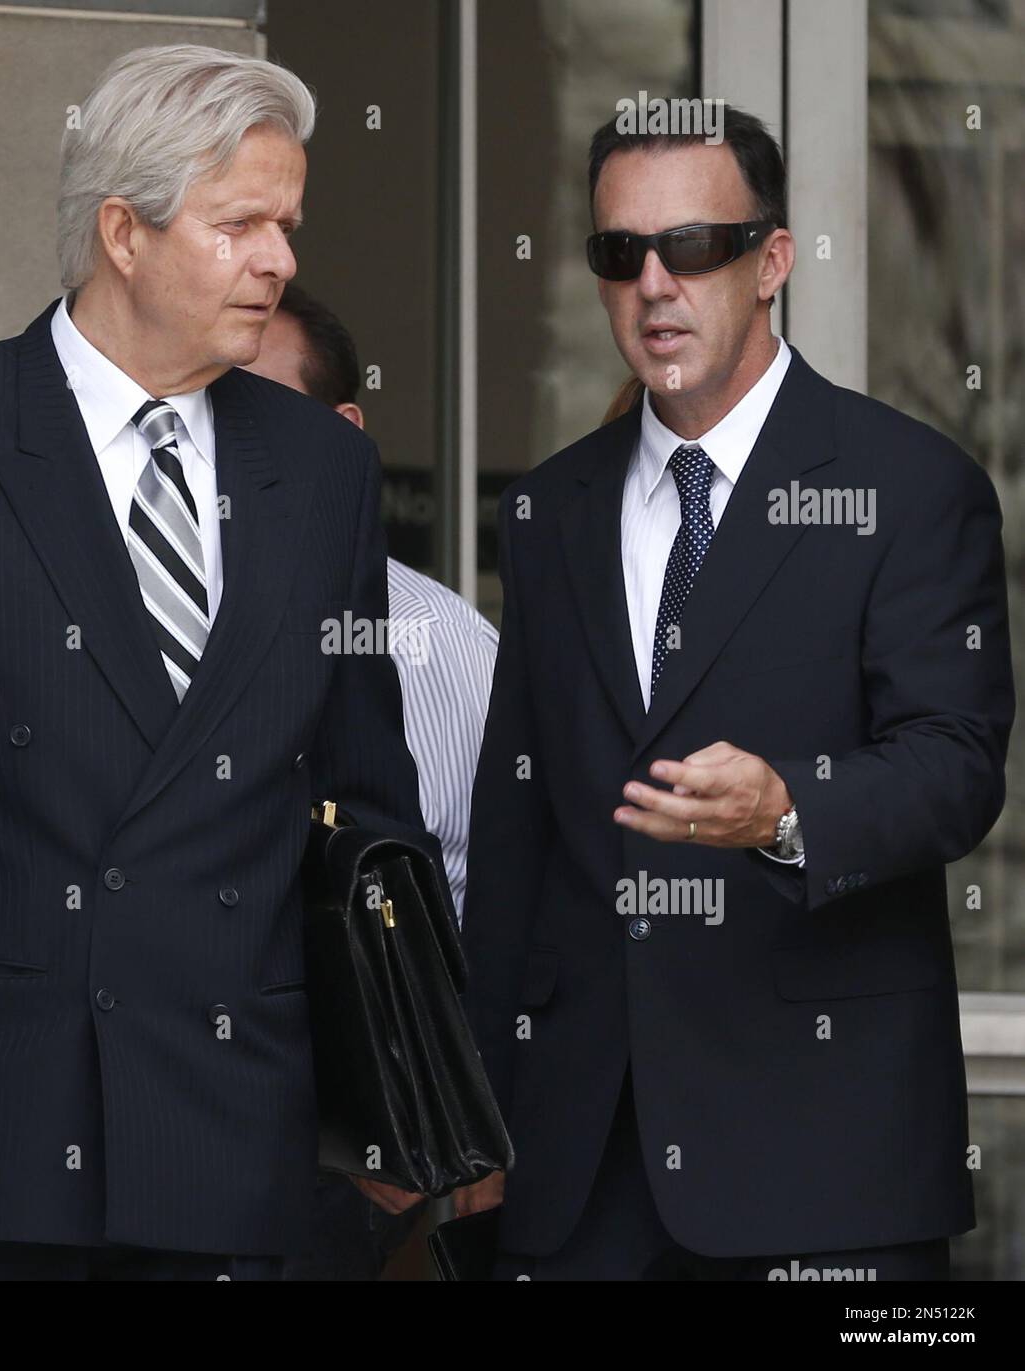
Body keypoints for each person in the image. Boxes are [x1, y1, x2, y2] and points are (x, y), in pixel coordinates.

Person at [0, 43, 429, 1282]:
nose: (279, 259)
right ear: (124, 231)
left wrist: (403, 1071)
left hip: (242, 1130)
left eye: (287, 223)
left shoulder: (321, 470)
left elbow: (368, 793)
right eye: (240, 225)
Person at [455, 106, 1014, 1280]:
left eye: (694, 246)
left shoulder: (909, 486)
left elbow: (956, 768)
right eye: (621, 254)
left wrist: (786, 810)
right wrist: (474, 1114)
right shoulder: (549, 511)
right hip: (579, 1163)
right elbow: (517, 835)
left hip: (825, 1156)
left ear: (769, 261)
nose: (655, 284)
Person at [246, 282, 498, 1279]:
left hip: (353, 1189)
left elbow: (506, 918)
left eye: (257, 407)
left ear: (344, 437)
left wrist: (409, 1151)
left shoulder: (451, 651)